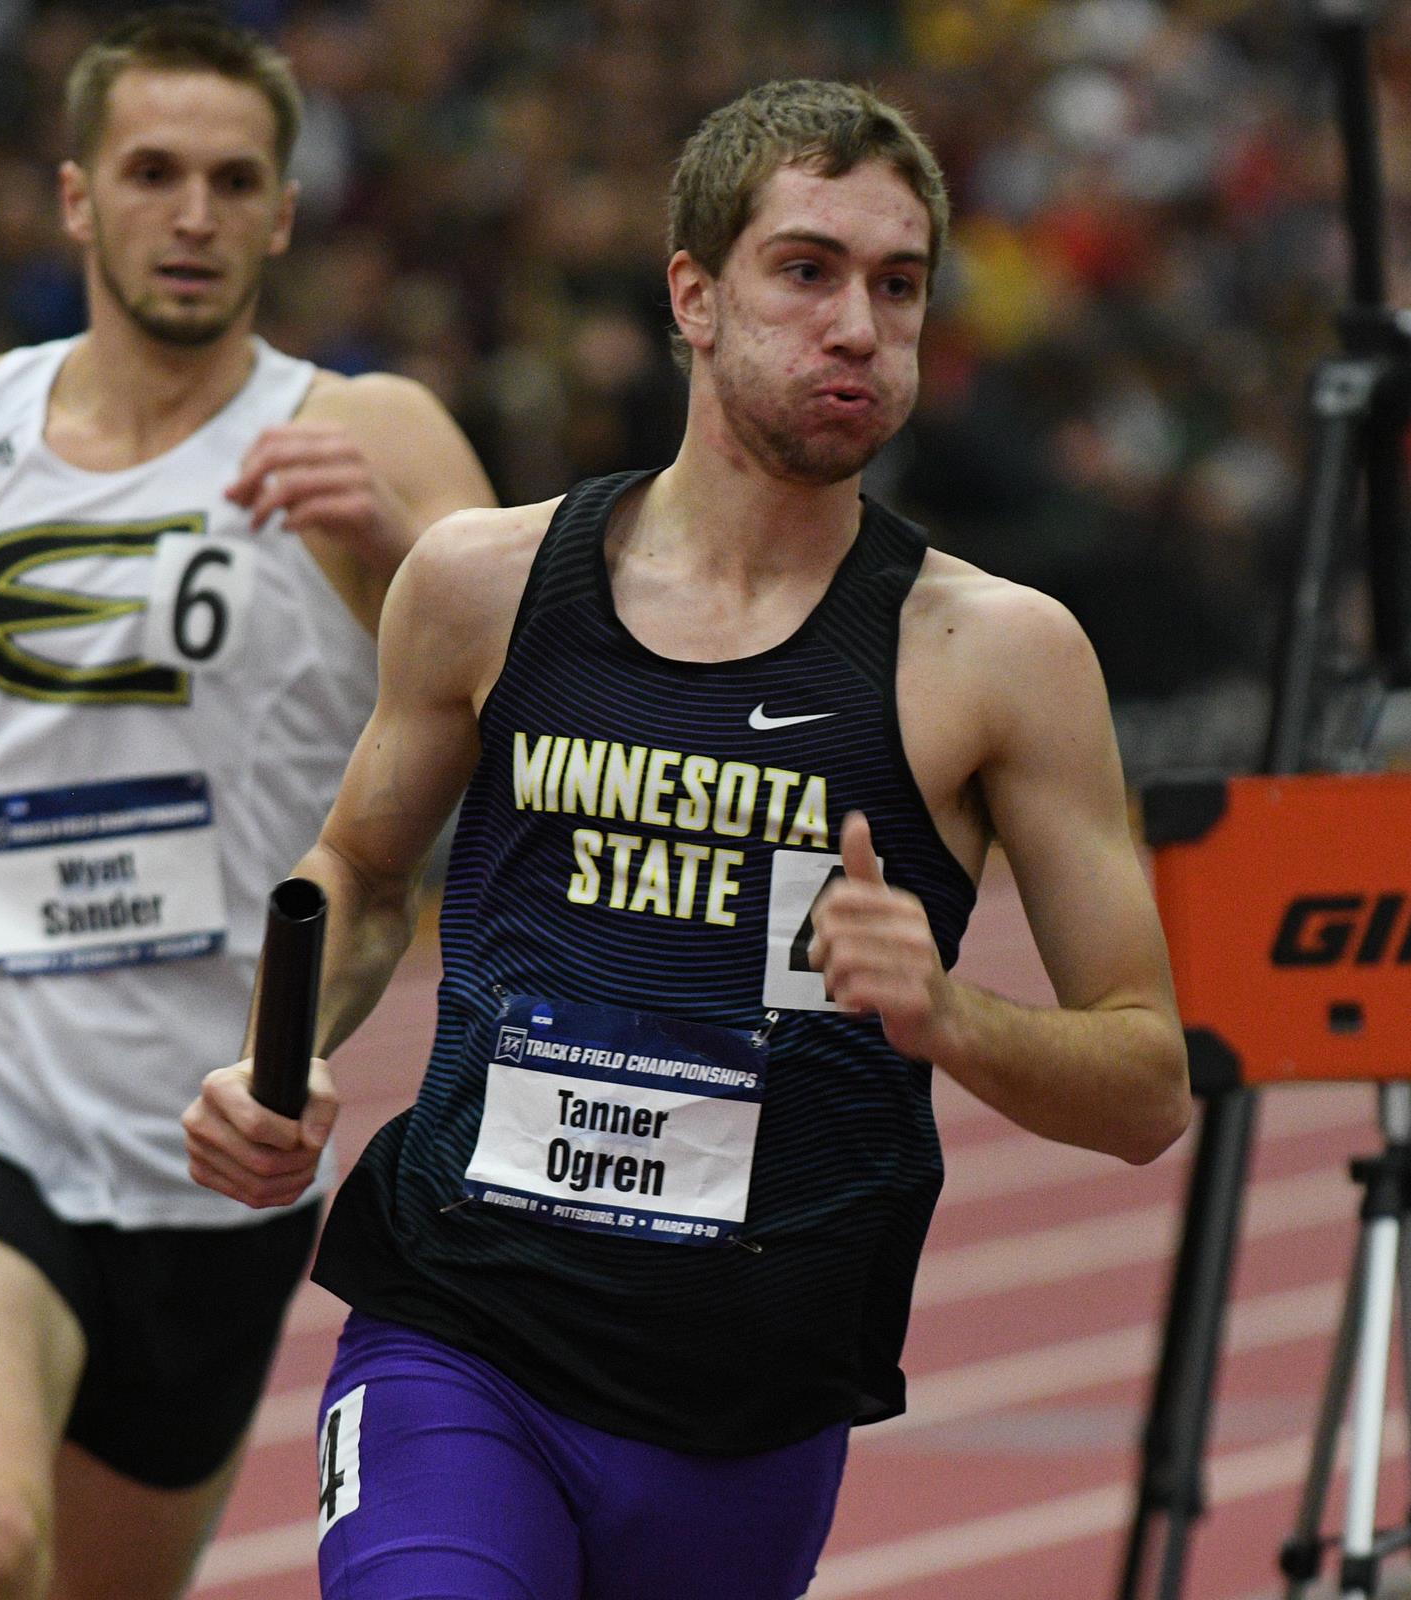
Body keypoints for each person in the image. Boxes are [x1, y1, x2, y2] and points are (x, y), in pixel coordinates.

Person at [182, 79, 1193, 1599]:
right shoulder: (483, 583)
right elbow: (359, 875)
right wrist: (274, 1057)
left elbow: (1145, 1084)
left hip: (749, 1409)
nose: (856, 325)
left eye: (897, 285)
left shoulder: (993, 654)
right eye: (806, 271)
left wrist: (946, 1017)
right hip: (458, 1329)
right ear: (693, 295)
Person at [0, 10, 493, 1600]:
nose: (189, 215)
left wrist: (398, 545)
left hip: (218, 1148)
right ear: (76, 199)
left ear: (281, 211)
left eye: (229, 179)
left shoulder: (369, 429)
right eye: (150, 173)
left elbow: (537, 716)